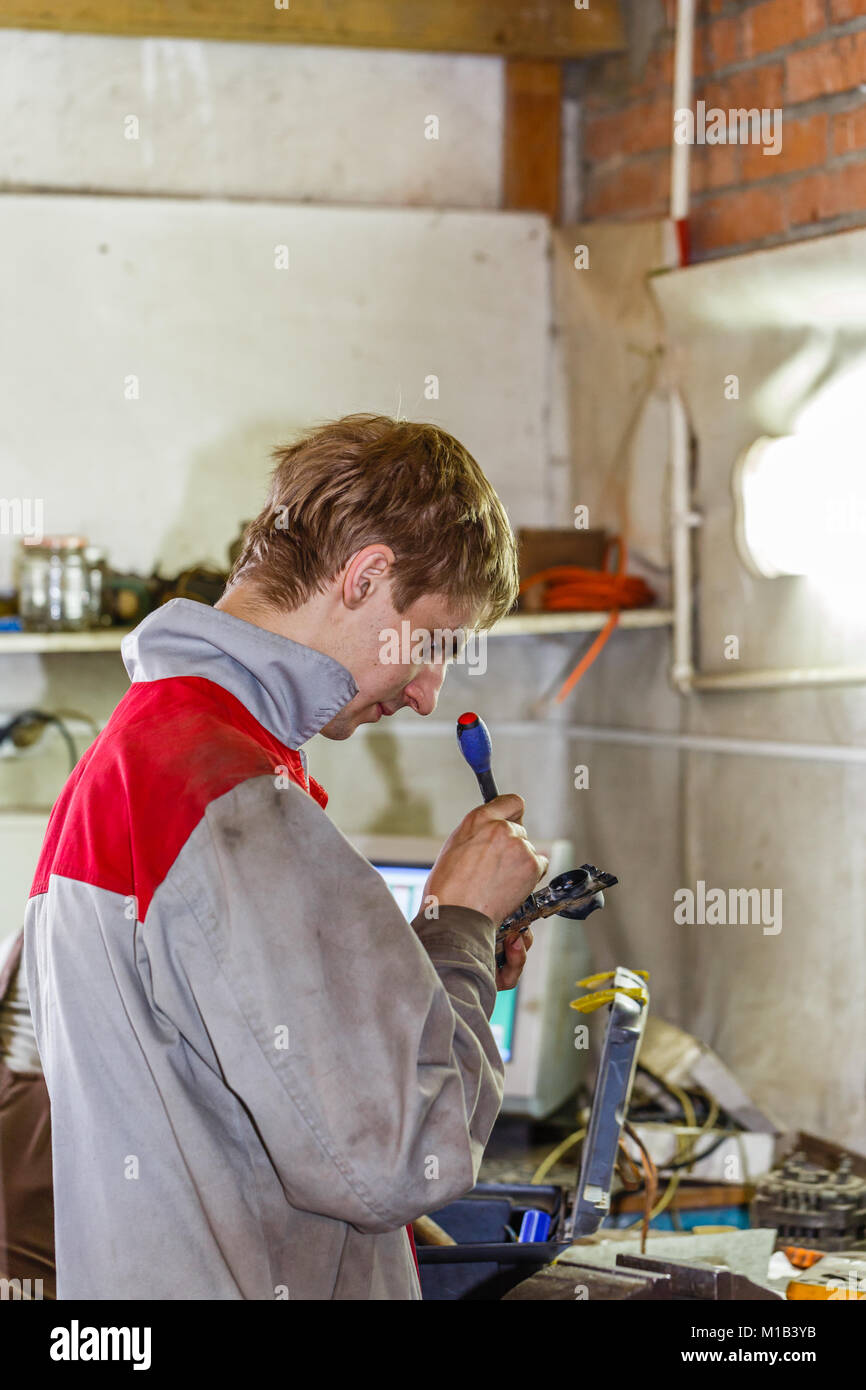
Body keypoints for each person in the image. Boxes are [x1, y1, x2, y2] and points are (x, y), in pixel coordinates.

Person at [24, 413, 547, 1300]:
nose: (427, 695)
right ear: (368, 575)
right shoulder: (226, 794)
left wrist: (436, 962)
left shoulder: (141, 755)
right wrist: (459, 930)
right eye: (433, 645)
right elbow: (397, 1162)